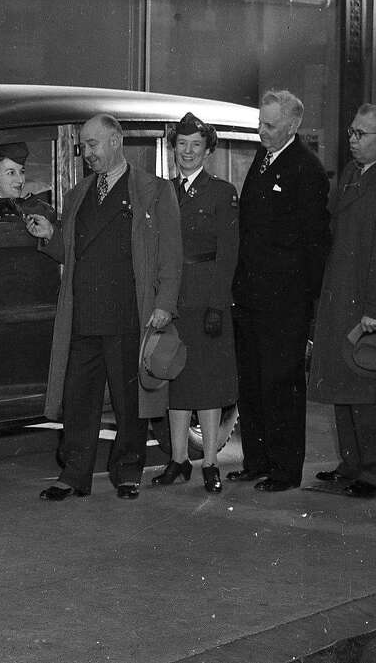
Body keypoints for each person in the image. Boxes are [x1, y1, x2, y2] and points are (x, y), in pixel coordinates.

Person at [26, 114, 181, 500]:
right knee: (78, 399)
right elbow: (73, 252)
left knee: (130, 402)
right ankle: (73, 474)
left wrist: (164, 304)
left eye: (92, 145)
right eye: (83, 147)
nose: (87, 153)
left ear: (116, 141)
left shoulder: (154, 190)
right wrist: (50, 236)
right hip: (84, 314)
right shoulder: (79, 194)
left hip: (129, 313)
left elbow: (171, 256)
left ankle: (128, 472)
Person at [308, 104, 376, 498]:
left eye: (360, 134)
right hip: (342, 298)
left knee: (372, 391)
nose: (352, 140)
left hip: (367, 307)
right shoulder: (355, 175)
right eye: (352, 132)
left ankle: (374, 473)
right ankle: (352, 463)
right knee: (345, 386)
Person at [231, 89, 330, 492]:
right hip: (251, 296)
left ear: (293, 125)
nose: (262, 131)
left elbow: (314, 242)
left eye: (270, 125)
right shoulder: (263, 158)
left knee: (281, 385)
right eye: (260, 123)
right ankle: (256, 461)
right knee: (252, 382)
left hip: (285, 301)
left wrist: (305, 302)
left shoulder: (306, 169)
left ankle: (285, 470)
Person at [152, 112, 239, 493]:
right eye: (182, 144)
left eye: (196, 145)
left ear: (208, 151)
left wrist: (218, 305)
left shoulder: (221, 192)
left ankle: (210, 462)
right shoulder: (162, 191)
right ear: (173, 148)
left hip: (205, 299)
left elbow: (228, 254)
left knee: (206, 382)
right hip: (171, 299)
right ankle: (178, 459)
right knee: (174, 379)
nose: (188, 152)